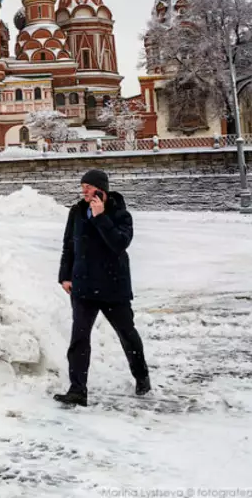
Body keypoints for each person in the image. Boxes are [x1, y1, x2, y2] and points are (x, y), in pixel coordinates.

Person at [55, 168, 150, 407]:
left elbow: (119, 243)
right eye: (82, 186)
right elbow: (69, 245)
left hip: (113, 286)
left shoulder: (120, 213)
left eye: (88, 186)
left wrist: (101, 217)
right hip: (83, 286)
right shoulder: (76, 212)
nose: (84, 190)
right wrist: (64, 276)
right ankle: (77, 389)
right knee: (79, 339)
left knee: (127, 334)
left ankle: (141, 376)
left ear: (102, 189)